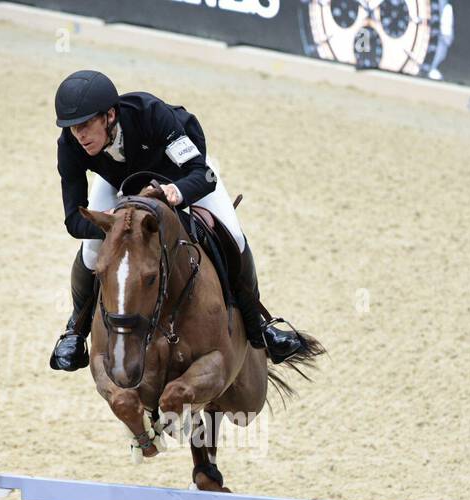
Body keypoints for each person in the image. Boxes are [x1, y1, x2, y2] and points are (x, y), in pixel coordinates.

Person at [50, 69, 304, 371]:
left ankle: (259, 325)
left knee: (233, 235)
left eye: (86, 124)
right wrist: (113, 226)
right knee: (92, 250)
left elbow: (203, 175)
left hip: (184, 176)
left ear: (110, 115)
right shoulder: (70, 145)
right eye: (73, 127)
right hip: (123, 184)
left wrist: (178, 192)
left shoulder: (151, 115)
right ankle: (76, 332)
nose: (79, 135)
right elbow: (73, 220)